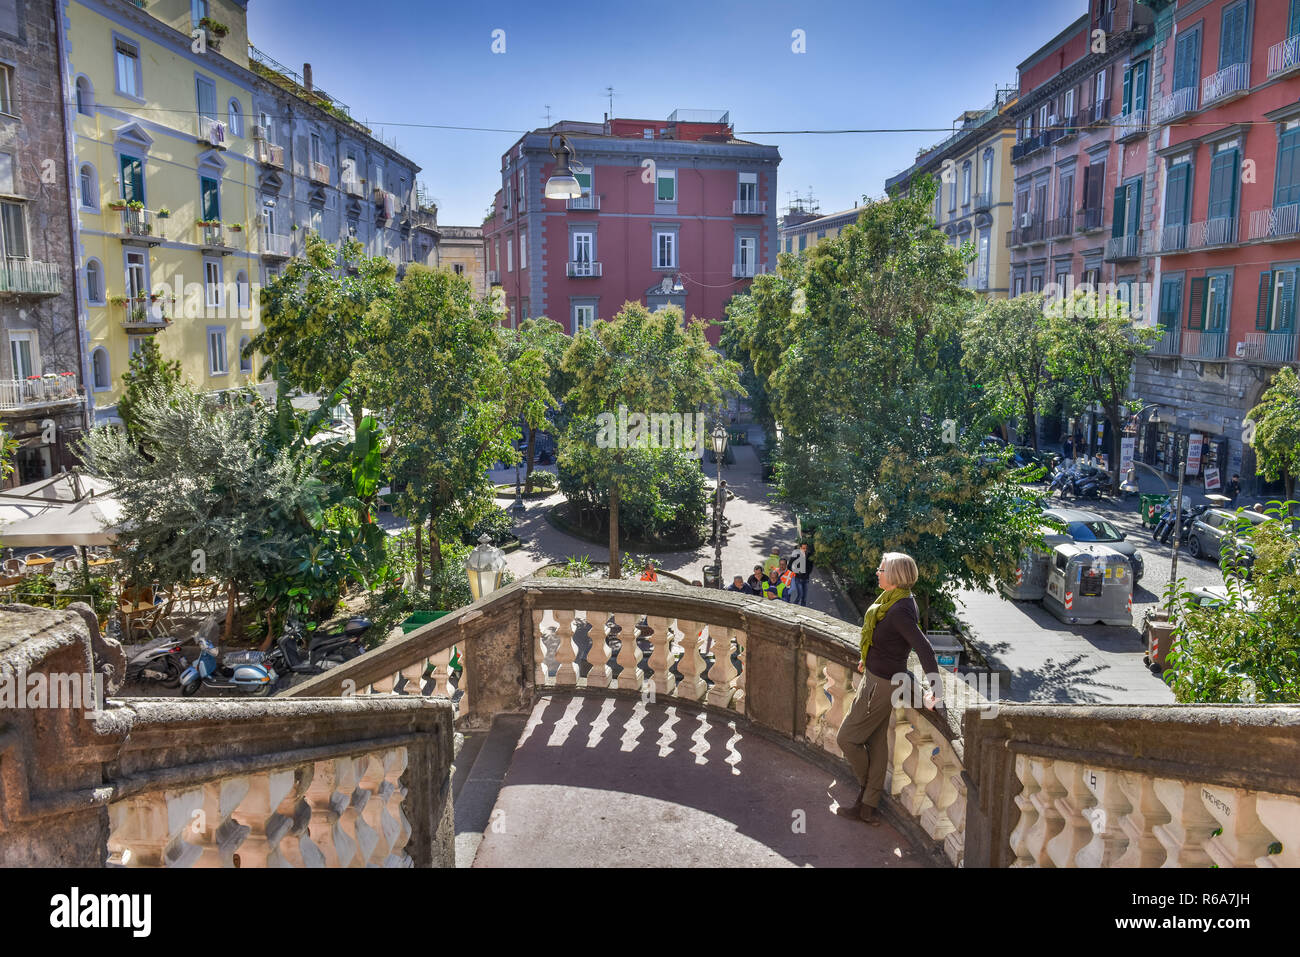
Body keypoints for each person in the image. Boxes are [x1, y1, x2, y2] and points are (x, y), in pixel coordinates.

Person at [834, 552, 940, 826]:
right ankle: (867, 807)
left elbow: (924, 647)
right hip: (879, 677)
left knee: (846, 738)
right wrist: (867, 657)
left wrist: (935, 688)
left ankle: (867, 790)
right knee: (876, 742)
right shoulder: (894, 601)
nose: (877, 572)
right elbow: (886, 639)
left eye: (881, 569)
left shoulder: (900, 609)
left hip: (881, 684)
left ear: (894, 576)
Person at [789, 542, 813, 606]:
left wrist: (807, 573)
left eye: (806, 548)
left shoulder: (809, 555)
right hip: (798, 579)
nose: (805, 550)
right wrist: (796, 571)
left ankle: (803, 610)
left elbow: (811, 566)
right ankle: (793, 607)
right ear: (800, 548)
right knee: (800, 595)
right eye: (803, 548)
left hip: (806, 579)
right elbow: (789, 566)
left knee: (804, 597)